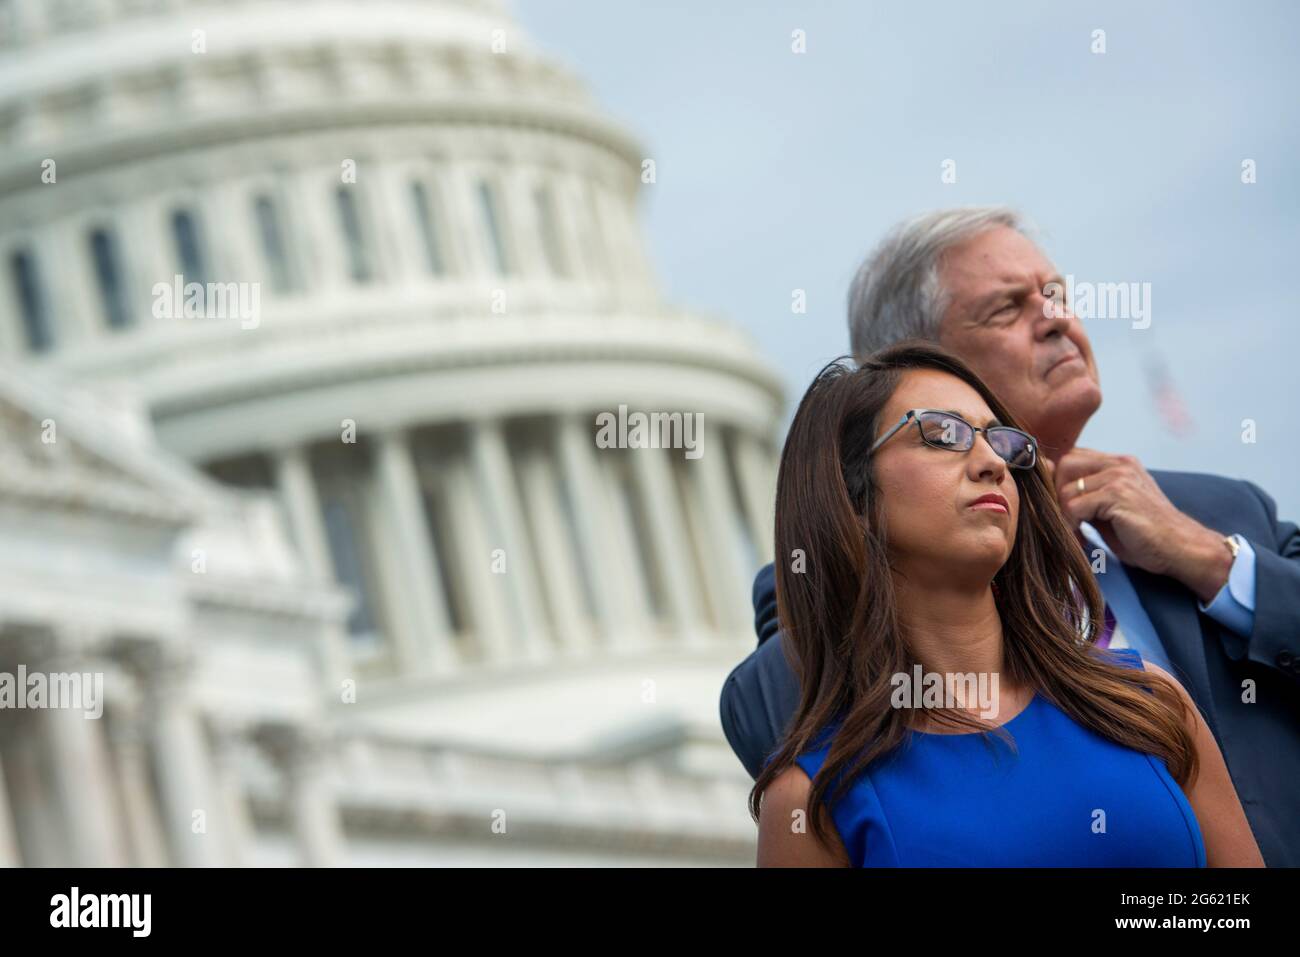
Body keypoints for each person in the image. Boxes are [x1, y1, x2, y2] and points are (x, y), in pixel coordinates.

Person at [724, 207, 1300, 867]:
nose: (1057, 319)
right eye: (1007, 308)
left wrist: (1210, 560)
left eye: (1057, 296)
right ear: (906, 355)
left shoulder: (1229, 516)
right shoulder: (801, 646)